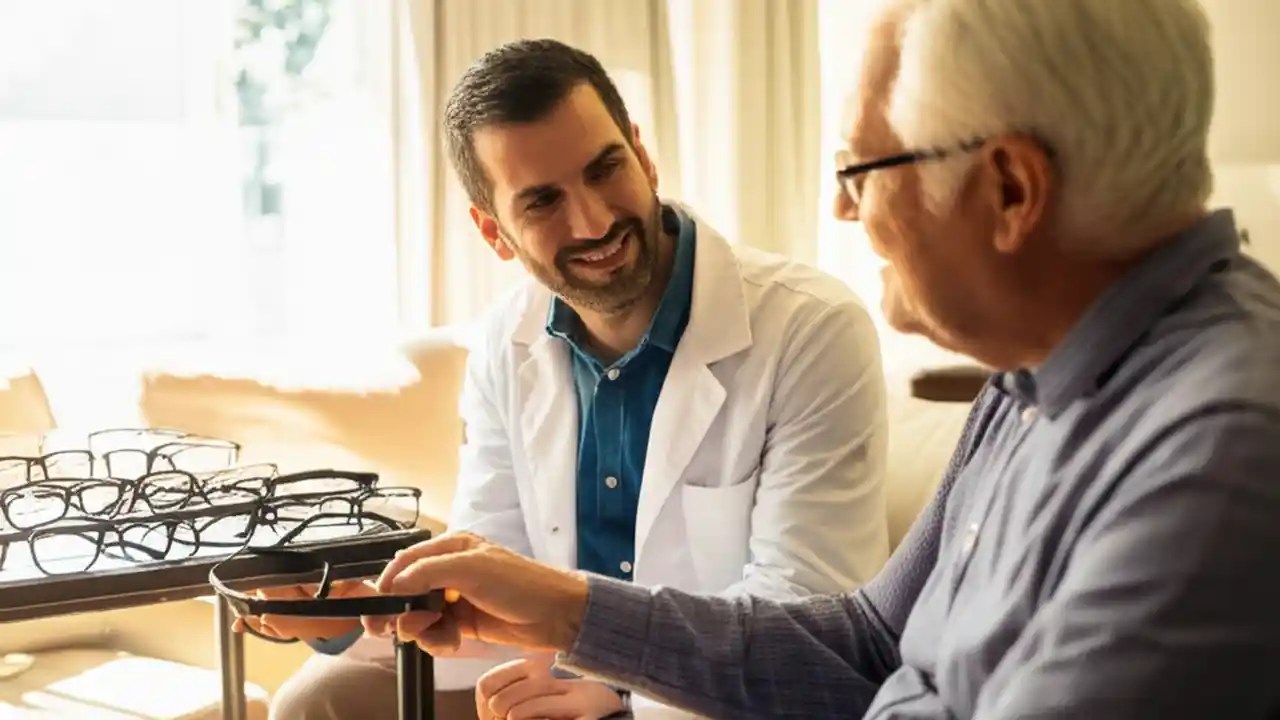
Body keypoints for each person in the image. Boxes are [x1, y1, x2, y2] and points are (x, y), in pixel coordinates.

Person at [365, 0, 1280, 718]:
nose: (846, 212)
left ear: (1009, 189)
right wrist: (568, 609)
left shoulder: (1215, 457)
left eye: (864, 169)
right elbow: (867, 645)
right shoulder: (1033, 380)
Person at [246, 38, 891, 719]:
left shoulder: (814, 330)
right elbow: (494, 567)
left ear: (642, 155)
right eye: (542, 202)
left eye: (605, 169)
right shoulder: (506, 339)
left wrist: (620, 692)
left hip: (719, 702)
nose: (595, 219)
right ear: (495, 233)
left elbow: (803, 619)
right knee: (320, 701)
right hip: (554, 681)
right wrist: (362, 611)